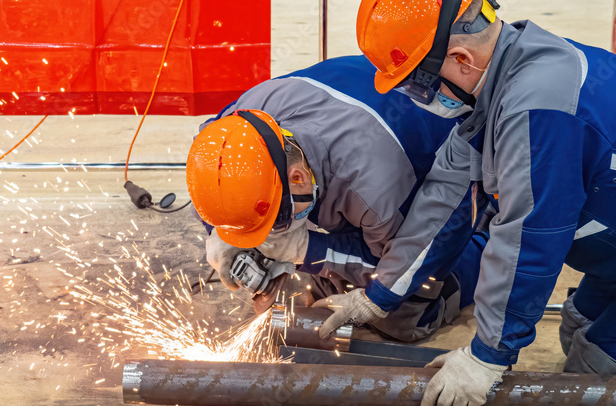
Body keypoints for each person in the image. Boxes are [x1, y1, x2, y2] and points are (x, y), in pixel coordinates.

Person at [319, 0, 616, 406]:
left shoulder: (539, 110)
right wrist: (377, 297)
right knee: (576, 329)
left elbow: (529, 236)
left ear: (461, 60)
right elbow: (444, 202)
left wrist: (487, 357)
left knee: (598, 375)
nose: (420, 99)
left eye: (418, 86)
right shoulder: (501, 85)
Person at [186, 55, 488, 342]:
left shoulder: (374, 190)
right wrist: (221, 232)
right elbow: (212, 169)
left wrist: (307, 249)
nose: (271, 234)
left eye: (276, 222)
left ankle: (480, 246)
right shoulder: (235, 128)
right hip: (365, 106)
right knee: (302, 272)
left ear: (298, 178)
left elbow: (389, 265)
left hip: (452, 157)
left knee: (402, 310)